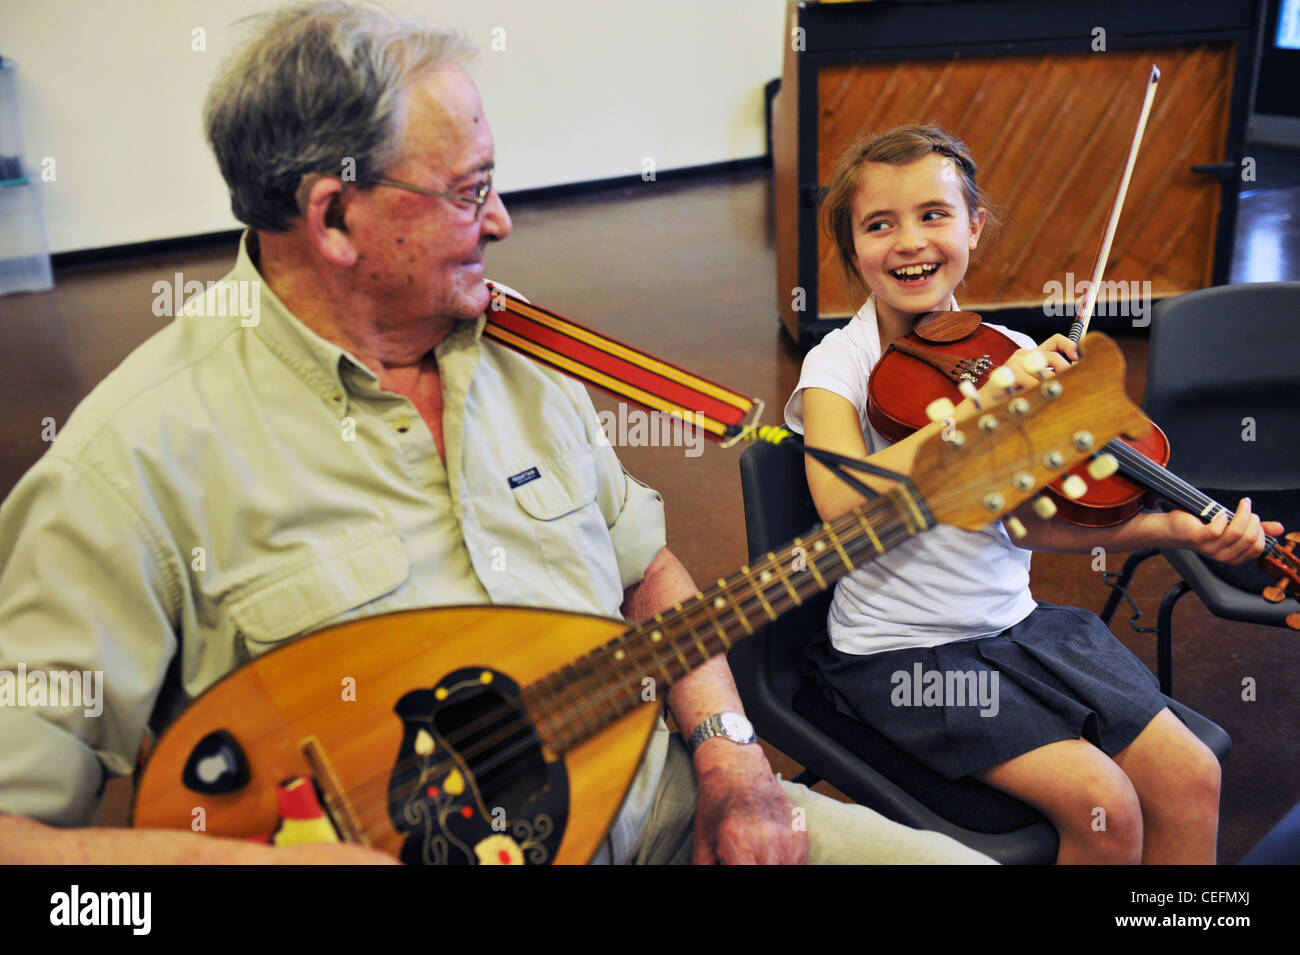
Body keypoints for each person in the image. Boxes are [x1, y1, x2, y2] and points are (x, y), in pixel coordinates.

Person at [0, 5, 993, 865]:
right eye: (470, 192)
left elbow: (646, 573)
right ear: (335, 216)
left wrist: (733, 761)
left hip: (663, 819)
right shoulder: (127, 464)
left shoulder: (527, 357)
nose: (507, 221)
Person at [786, 124, 1281, 865]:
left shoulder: (1010, 355)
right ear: (853, 248)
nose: (910, 241)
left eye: (934, 214)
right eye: (879, 224)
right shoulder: (838, 365)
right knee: (1104, 806)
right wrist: (980, 416)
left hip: (1018, 628)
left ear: (973, 227)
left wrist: (1175, 530)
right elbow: (838, 503)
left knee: (1192, 775)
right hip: (903, 654)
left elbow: (1030, 527)